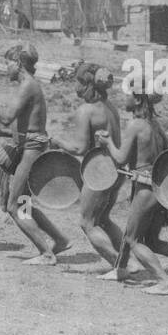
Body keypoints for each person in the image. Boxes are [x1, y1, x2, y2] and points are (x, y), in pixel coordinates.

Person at [0, 43, 71, 265]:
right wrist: (2, 132)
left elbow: (5, 116)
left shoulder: (27, 86)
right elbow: (24, 122)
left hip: (32, 149)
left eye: (7, 63)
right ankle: (59, 240)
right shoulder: (28, 85)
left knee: (14, 205)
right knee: (24, 202)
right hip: (29, 147)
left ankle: (46, 253)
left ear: (18, 63)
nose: (5, 68)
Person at [95, 91, 168, 295]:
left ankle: (164, 281)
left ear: (137, 100)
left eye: (126, 95)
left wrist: (107, 144)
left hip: (145, 187)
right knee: (132, 232)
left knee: (134, 239)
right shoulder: (155, 125)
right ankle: (121, 269)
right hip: (159, 186)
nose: (123, 98)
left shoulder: (135, 125)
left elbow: (120, 159)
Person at [54, 62, 127, 274]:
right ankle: (127, 261)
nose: (75, 87)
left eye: (78, 82)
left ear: (88, 85)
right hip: (117, 169)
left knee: (87, 222)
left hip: (99, 172)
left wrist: (57, 141)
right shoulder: (111, 108)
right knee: (103, 219)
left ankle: (118, 263)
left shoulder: (85, 111)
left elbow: (79, 147)